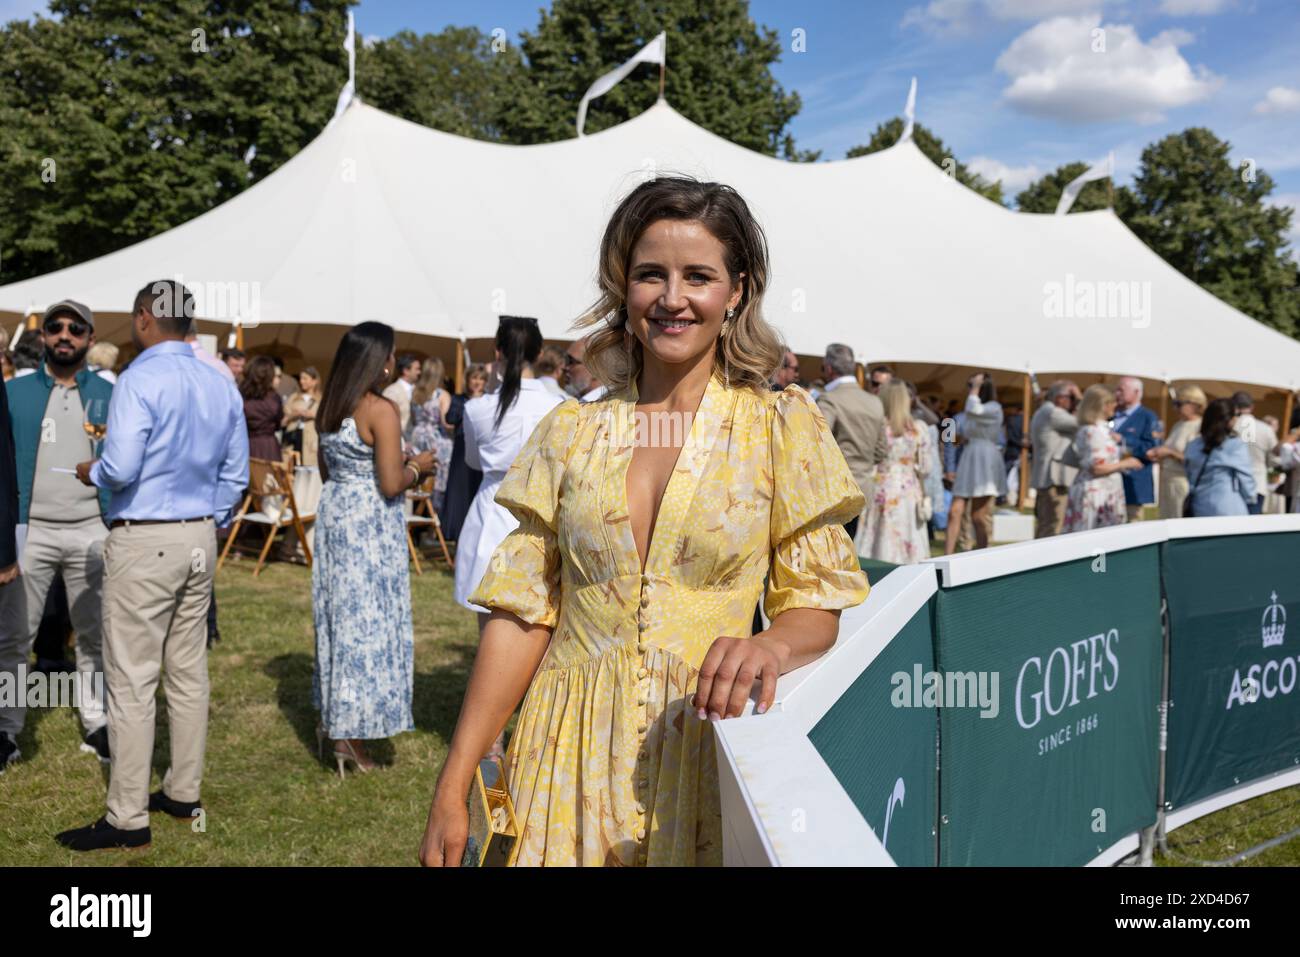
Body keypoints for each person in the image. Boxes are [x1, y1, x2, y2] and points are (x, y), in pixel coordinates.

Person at [419, 176, 869, 867]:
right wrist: (455, 780)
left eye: (699, 276)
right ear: (623, 289)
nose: (672, 298)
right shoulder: (570, 431)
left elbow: (814, 603)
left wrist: (771, 646)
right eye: (649, 275)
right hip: (557, 758)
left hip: (700, 750)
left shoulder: (781, 427)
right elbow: (521, 616)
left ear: (737, 290)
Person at [56, 279, 247, 851]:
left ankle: (126, 816)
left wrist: (95, 471)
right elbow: (237, 471)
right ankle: (183, 791)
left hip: (147, 537)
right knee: (188, 671)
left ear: (144, 318)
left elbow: (121, 464)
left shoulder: (140, 376)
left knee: (132, 680)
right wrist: (205, 517)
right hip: (198, 536)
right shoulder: (219, 379)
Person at [311, 322, 434, 778]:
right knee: (369, 625)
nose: (392, 363)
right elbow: (389, 483)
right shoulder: (379, 410)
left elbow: (328, 469)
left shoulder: (330, 406)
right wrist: (417, 468)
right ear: (377, 361)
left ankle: (337, 723)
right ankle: (352, 732)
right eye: (390, 356)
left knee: (340, 619)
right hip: (371, 526)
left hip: (336, 516)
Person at [0, 300, 114, 767]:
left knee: (96, 634)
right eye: (55, 327)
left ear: (89, 337)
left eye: (76, 328)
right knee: (13, 636)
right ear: (43, 335)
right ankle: (6, 731)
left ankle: (99, 722)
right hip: (30, 530)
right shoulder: (14, 392)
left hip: (93, 527)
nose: (65, 334)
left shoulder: (110, 392)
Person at [453, 316, 564, 761]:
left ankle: (492, 741)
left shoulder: (478, 409)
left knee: (491, 640)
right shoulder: (561, 406)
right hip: (543, 515)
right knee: (549, 636)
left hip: (492, 511)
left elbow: (474, 461)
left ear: (498, 353)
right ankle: (527, 734)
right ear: (540, 353)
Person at [816, 343, 886, 541]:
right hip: (863, 486)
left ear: (829, 368)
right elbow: (881, 450)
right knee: (848, 546)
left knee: (828, 551)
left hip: (834, 488)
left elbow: (818, 442)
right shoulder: (874, 402)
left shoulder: (830, 399)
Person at [855, 382, 932, 563]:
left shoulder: (877, 426)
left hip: (881, 485)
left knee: (879, 537)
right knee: (908, 535)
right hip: (908, 489)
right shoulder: (918, 428)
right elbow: (926, 467)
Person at [1063, 384, 1144, 532]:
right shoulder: (1094, 431)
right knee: (1097, 542)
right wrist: (1126, 463)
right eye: (1111, 402)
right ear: (1102, 405)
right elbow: (1097, 468)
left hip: (1101, 489)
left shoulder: (1095, 429)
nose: (1115, 405)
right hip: (1098, 493)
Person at [945, 372, 1005, 553]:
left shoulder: (994, 407)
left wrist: (975, 388)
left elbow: (975, 410)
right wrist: (950, 466)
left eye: (974, 384)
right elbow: (950, 440)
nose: (970, 388)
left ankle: (983, 554)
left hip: (985, 459)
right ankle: (947, 555)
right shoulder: (960, 416)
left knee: (978, 516)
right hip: (968, 458)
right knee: (954, 511)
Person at [1183, 398, 1256, 517]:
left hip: (1199, 505)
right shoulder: (1235, 445)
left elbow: (1189, 472)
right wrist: (1250, 498)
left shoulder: (1193, 445)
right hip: (1228, 505)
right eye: (1237, 415)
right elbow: (1246, 477)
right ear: (1229, 419)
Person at [438, 364, 487, 541]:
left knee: (477, 488)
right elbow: (450, 418)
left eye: (481, 379)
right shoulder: (458, 399)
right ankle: (455, 530)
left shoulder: (489, 400)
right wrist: (470, 404)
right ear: (467, 379)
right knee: (459, 489)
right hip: (461, 448)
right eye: (474, 378)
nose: (477, 382)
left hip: (481, 449)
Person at [1029, 380, 1081, 537]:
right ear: (1059, 397)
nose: (1071, 402)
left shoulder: (1044, 411)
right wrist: (1080, 398)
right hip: (1054, 478)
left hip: (1046, 477)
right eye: (1070, 398)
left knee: (1046, 525)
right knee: (1054, 526)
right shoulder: (1053, 413)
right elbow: (1085, 421)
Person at [1146, 384, 1205, 519]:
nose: (1175, 408)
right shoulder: (1178, 424)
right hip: (1168, 482)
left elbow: (1197, 460)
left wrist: (1170, 453)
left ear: (1194, 404)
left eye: (1179, 404)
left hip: (1183, 483)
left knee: (1180, 522)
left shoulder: (1199, 427)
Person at [1112, 376, 1162, 522]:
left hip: (1133, 481)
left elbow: (1153, 448)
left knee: (1132, 524)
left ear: (1136, 392)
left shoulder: (1147, 417)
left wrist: (1124, 440)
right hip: (1112, 480)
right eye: (1117, 390)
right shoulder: (1112, 414)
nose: (1117, 394)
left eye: (1121, 390)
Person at [408, 358, 454, 511]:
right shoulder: (442, 395)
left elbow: (414, 419)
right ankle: (433, 518)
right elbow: (446, 422)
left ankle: (419, 513)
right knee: (437, 484)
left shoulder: (415, 393)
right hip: (437, 440)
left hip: (418, 438)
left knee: (420, 478)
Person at [1229, 391, 1277, 515]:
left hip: (1233, 484)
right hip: (1257, 483)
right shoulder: (1266, 429)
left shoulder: (1229, 426)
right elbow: (1274, 458)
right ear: (1252, 407)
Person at [239, 355, 284, 462]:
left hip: (246, 444)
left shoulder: (241, 395)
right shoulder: (273, 398)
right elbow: (278, 423)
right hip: (269, 446)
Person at [283, 367, 322, 467]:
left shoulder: (321, 399)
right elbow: (283, 420)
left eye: (305, 378)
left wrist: (313, 415)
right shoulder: (293, 398)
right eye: (301, 378)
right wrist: (294, 414)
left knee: (309, 469)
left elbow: (326, 419)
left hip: (311, 441)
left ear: (314, 381)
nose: (301, 381)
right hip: (294, 437)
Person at [381, 354, 421, 437]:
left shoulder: (419, 391)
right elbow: (386, 420)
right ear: (406, 371)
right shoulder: (391, 391)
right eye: (417, 369)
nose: (419, 372)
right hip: (399, 440)